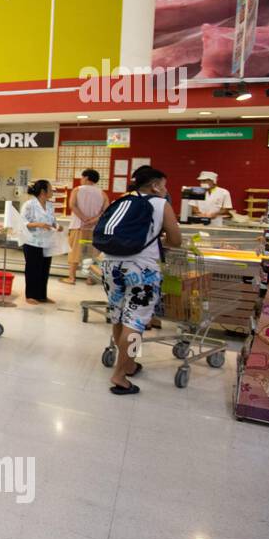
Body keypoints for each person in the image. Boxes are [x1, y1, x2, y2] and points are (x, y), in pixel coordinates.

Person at [102, 166, 182, 395]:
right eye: (163, 185)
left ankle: (128, 363)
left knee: (118, 316)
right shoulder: (160, 204)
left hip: (111, 266)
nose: (165, 190)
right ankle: (120, 374)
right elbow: (176, 240)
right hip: (143, 270)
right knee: (136, 322)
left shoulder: (122, 200)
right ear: (155, 185)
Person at [20, 179, 60, 305]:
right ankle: (30, 295)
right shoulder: (29, 205)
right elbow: (22, 223)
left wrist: (57, 226)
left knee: (44, 269)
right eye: (50, 188)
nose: (52, 191)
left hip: (46, 242)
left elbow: (53, 221)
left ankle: (42, 295)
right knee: (33, 268)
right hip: (32, 242)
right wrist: (39, 224)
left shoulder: (49, 205)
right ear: (43, 191)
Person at [65, 169, 108, 285]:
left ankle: (71, 278)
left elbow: (72, 205)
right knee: (91, 253)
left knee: (74, 251)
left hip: (78, 226)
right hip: (94, 229)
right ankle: (90, 279)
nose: (81, 179)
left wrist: (83, 218)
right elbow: (106, 211)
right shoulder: (102, 193)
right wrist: (93, 220)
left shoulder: (77, 190)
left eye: (82, 177)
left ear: (86, 178)